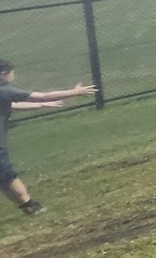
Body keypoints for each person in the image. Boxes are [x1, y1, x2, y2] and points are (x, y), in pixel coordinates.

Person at [0, 61, 98, 213]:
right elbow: (44, 95)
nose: (14, 74)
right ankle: (31, 207)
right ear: (3, 74)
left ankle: (28, 206)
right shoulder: (3, 90)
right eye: (11, 71)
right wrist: (76, 92)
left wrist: (41, 106)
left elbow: (10, 106)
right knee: (8, 176)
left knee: (4, 179)